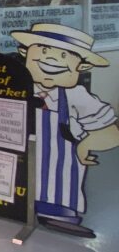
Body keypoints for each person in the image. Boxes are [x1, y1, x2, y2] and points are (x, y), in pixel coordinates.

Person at [9, 23, 119, 238]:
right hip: (14, 191)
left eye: (65, 55)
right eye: (43, 50)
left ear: (82, 67)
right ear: (24, 53)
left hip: (59, 194)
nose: (52, 59)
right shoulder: (15, 85)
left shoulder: (76, 97)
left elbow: (111, 133)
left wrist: (87, 144)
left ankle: (59, 218)